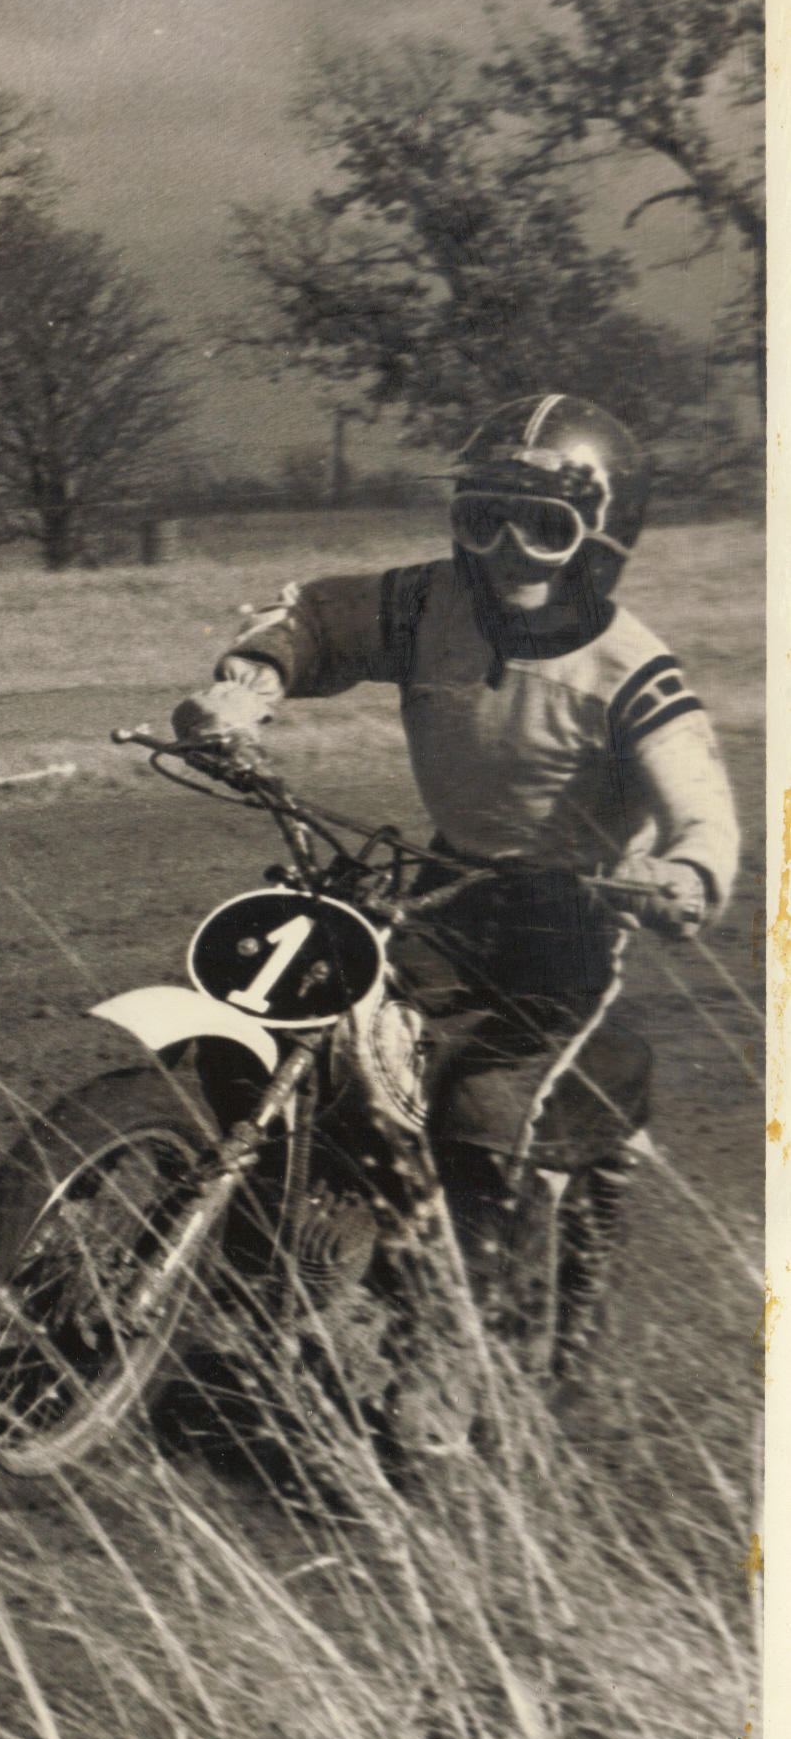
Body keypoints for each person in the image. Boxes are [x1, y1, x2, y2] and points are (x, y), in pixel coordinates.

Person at [171, 393, 739, 1381]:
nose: (508, 548)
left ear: (603, 538)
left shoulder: (633, 667)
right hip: (441, 888)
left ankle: (472, 1366)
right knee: (267, 1020)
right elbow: (313, 621)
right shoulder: (428, 605)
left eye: (545, 525)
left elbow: (704, 812)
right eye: (483, 517)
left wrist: (680, 874)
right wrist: (245, 688)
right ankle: (277, 1268)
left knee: (481, 1109)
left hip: (567, 925)